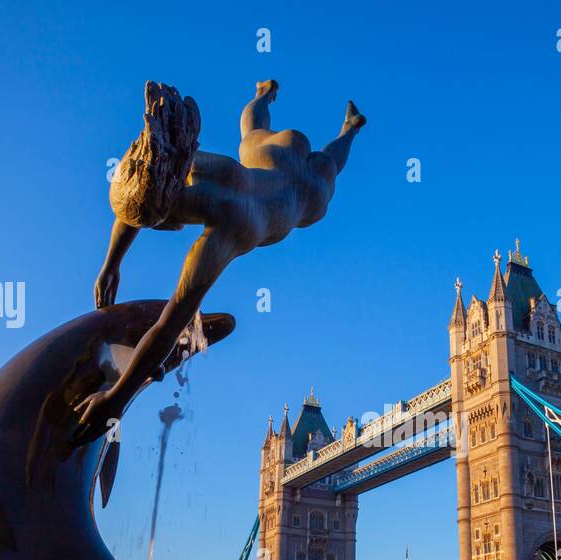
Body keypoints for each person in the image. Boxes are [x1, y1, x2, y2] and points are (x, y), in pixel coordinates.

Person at [72, 80, 365, 444]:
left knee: (327, 166)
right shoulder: (197, 166)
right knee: (254, 131)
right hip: (274, 155)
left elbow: (168, 327)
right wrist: (111, 264)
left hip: (305, 197)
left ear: (165, 219)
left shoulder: (228, 231)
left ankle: (347, 129)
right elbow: (142, 187)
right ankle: (272, 97)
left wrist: (116, 400)